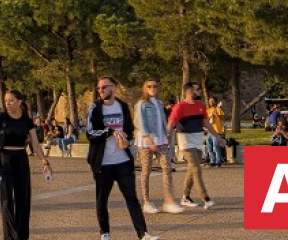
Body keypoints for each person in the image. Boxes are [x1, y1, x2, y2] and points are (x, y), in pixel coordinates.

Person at [86, 76, 157, 240]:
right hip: (103, 163)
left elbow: (130, 130)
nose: (101, 90)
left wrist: (127, 141)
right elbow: (90, 133)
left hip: (123, 161)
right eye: (99, 88)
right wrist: (110, 132)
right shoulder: (95, 108)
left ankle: (143, 233)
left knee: (132, 198)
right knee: (102, 200)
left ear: (114, 87)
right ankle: (105, 233)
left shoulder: (123, 106)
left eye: (104, 87)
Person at [0, 89, 52, 240]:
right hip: (5, 160)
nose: (8, 104)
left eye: (11, 100)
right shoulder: (2, 118)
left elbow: (36, 144)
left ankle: (22, 236)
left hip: (21, 159)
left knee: (22, 199)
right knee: (6, 201)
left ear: (19, 102)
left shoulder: (26, 121)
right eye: (6, 101)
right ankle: (10, 237)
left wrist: (44, 161)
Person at [167, 81, 224, 210]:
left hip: (198, 141)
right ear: (190, 91)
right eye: (197, 89)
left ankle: (185, 197)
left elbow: (206, 123)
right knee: (196, 168)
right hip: (186, 142)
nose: (199, 91)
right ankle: (205, 198)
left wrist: (218, 137)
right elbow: (171, 123)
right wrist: (168, 138)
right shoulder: (179, 107)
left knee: (192, 170)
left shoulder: (200, 106)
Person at [134, 79, 182, 215]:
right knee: (146, 170)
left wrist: (167, 134)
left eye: (155, 86)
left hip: (160, 140)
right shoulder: (141, 104)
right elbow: (141, 123)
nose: (152, 88)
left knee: (167, 167)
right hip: (145, 141)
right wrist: (149, 140)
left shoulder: (159, 103)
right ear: (145, 88)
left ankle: (168, 201)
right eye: (149, 86)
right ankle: (147, 202)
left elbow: (163, 120)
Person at [205, 98, 226, 166]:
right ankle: (212, 161)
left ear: (215, 101)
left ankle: (218, 161)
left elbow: (222, 118)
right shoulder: (208, 110)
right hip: (209, 131)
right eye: (209, 101)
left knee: (216, 147)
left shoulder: (218, 109)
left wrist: (216, 113)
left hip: (217, 131)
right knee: (209, 147)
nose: (210, 102)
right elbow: (206, 120)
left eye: (212, 101)